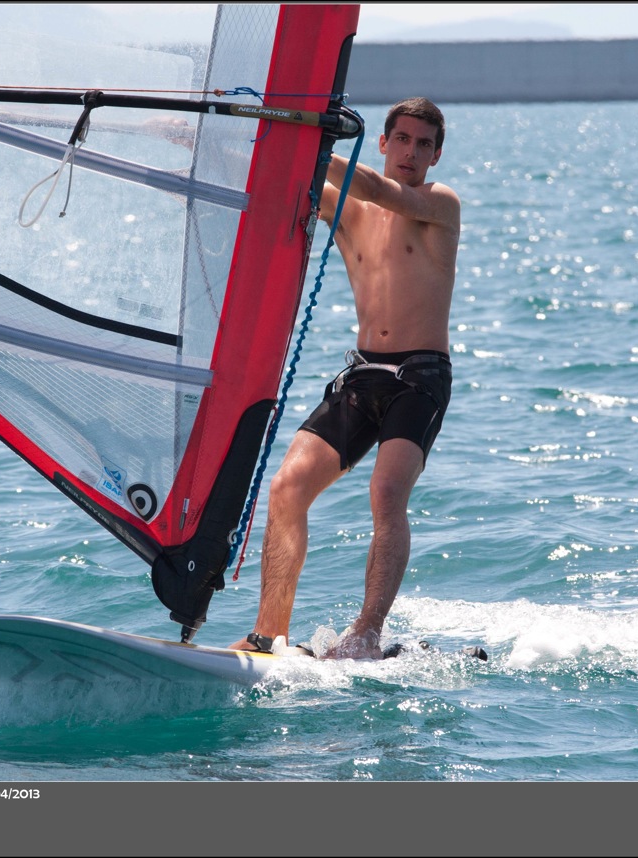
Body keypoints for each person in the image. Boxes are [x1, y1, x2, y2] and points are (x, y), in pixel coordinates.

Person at [230, 97, 461, 660]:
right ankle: (269, 635)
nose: (410, 152)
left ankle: (366, 633)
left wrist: (310, 141)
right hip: (362, 376)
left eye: (423, 144)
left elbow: (376, 189)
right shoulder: (346, 210)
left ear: (436, 154)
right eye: (401, 139)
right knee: (286, 489)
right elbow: (275, 177)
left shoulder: (439, 205)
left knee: (386, 491)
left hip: (419, 379)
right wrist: (216, 131)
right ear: (382, 143)